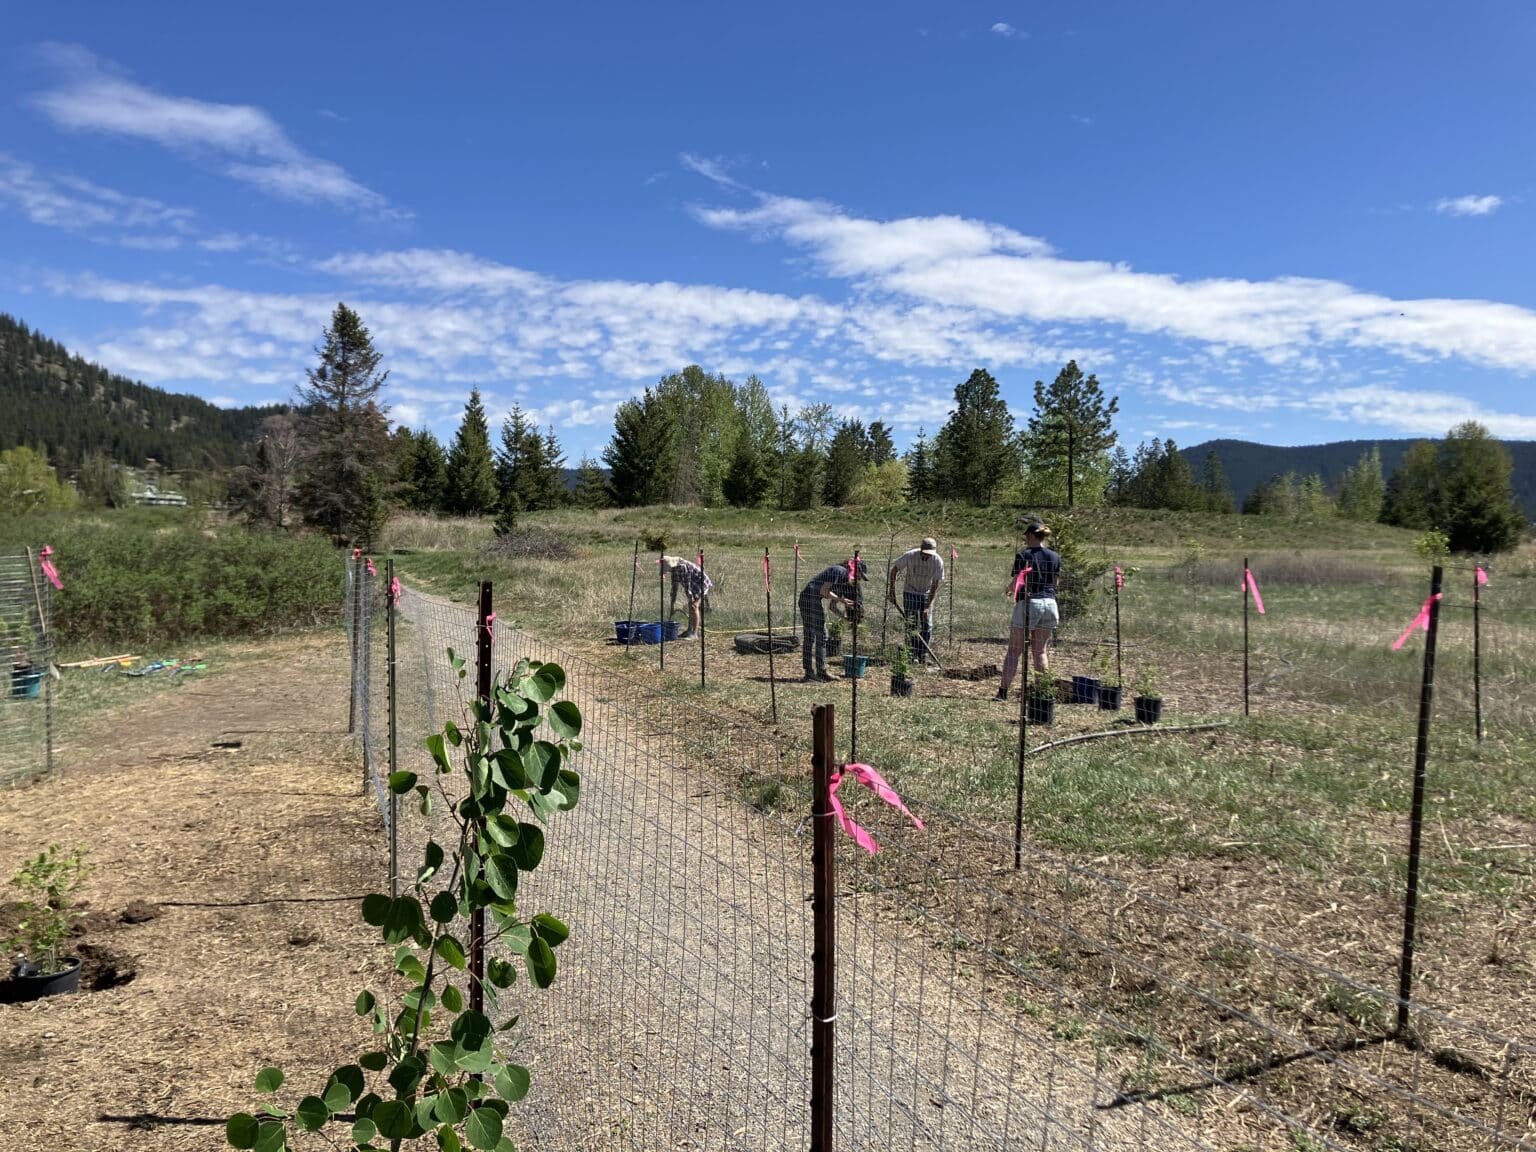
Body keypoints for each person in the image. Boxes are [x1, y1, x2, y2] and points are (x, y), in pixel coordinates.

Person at [997, 520, 1061, 700]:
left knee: (1014, 650)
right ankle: (1042, 693)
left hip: (1030, 603)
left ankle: (1002, 693)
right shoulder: (1055, 556)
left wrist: (1009, 589)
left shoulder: (1023, 555)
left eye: (1026, 535)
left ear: (1031, 536)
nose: (1025, 538)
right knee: (1040, 651)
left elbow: (1018, 580)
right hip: (1050, 603)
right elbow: (1056, 583)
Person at [799, 557, 868, 681]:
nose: (858, 578)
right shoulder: (838, 571)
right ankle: (814, 672)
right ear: (853, 568)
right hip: (809, 599)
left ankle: (818, 671)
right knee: (818, 636)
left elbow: (832, 606)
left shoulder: (842, 580)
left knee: (815, 636)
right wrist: (841, 600)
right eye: (859, 574)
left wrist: (845, 617)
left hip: (811, 599)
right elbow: (824, 591)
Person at [888, 537, 944, 664]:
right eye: (924, 554)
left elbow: (935, 584)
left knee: (927, 625)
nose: (926, 557)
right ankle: (912, 654)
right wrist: (892, 591)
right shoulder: (910, 555)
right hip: (910, 593)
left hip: (926, 594)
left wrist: (928, 606)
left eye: (929, 555)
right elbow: (894, 570)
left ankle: (923, 654)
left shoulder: (937, 561)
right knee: (911, 624)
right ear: (921, 550)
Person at [662, 554, 712, 640]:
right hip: (693, 584)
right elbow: (674, 587)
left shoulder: (682, 567)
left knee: (694, 606)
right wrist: (672, 605)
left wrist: (690, 598)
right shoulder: (674, 570)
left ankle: (694, 634)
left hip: (701, 583)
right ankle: (689, 630)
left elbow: (687, 584)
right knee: (691, 606)